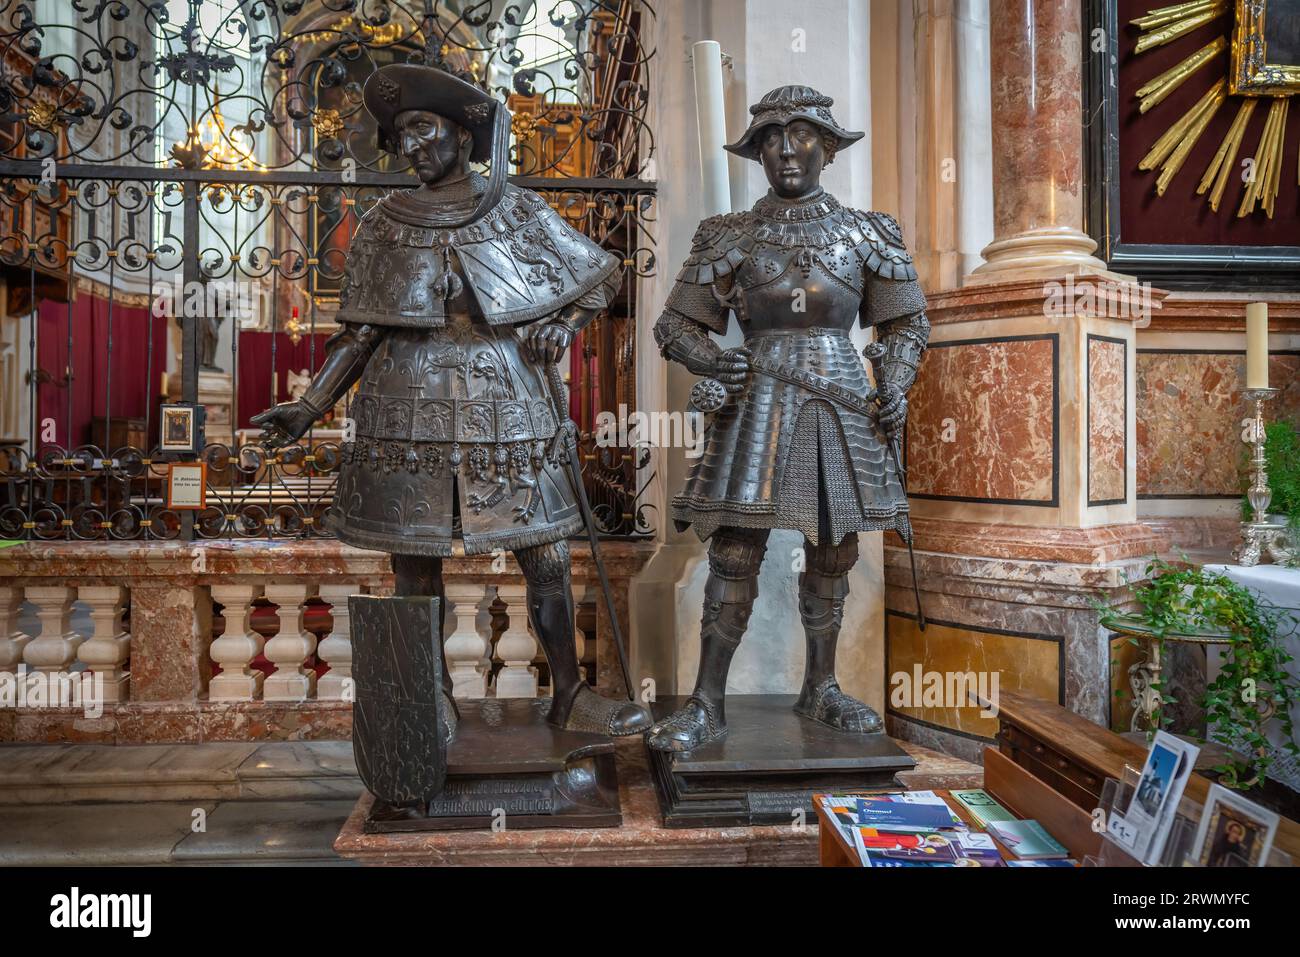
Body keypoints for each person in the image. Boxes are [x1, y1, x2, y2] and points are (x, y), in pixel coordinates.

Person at [252, 61, 651, 739]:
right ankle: (428, 696)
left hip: (508, 396)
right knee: (416, 562)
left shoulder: (514, 206)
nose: (410, 145)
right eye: (401, 134)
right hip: (408, 400)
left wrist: (563, 323)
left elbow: (598, 276)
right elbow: (361, 333)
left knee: (546, 553)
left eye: (422, 129)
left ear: (461, 137)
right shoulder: (384, 220)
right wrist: (310, 405)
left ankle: (571, 694)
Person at [648, 86, 929, 752]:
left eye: (800, 135)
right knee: (736, 547)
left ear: (827, 147)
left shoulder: (870, 231)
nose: (784, 150)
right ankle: (707, 702)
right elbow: (675, 325)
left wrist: (894, 381)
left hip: (839, 394)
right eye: (770, 139)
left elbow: (907, 324)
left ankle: (822, 686)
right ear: (758, 152)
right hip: (760, 396)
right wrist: (715, 364)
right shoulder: (729, 234)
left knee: (834, 549)